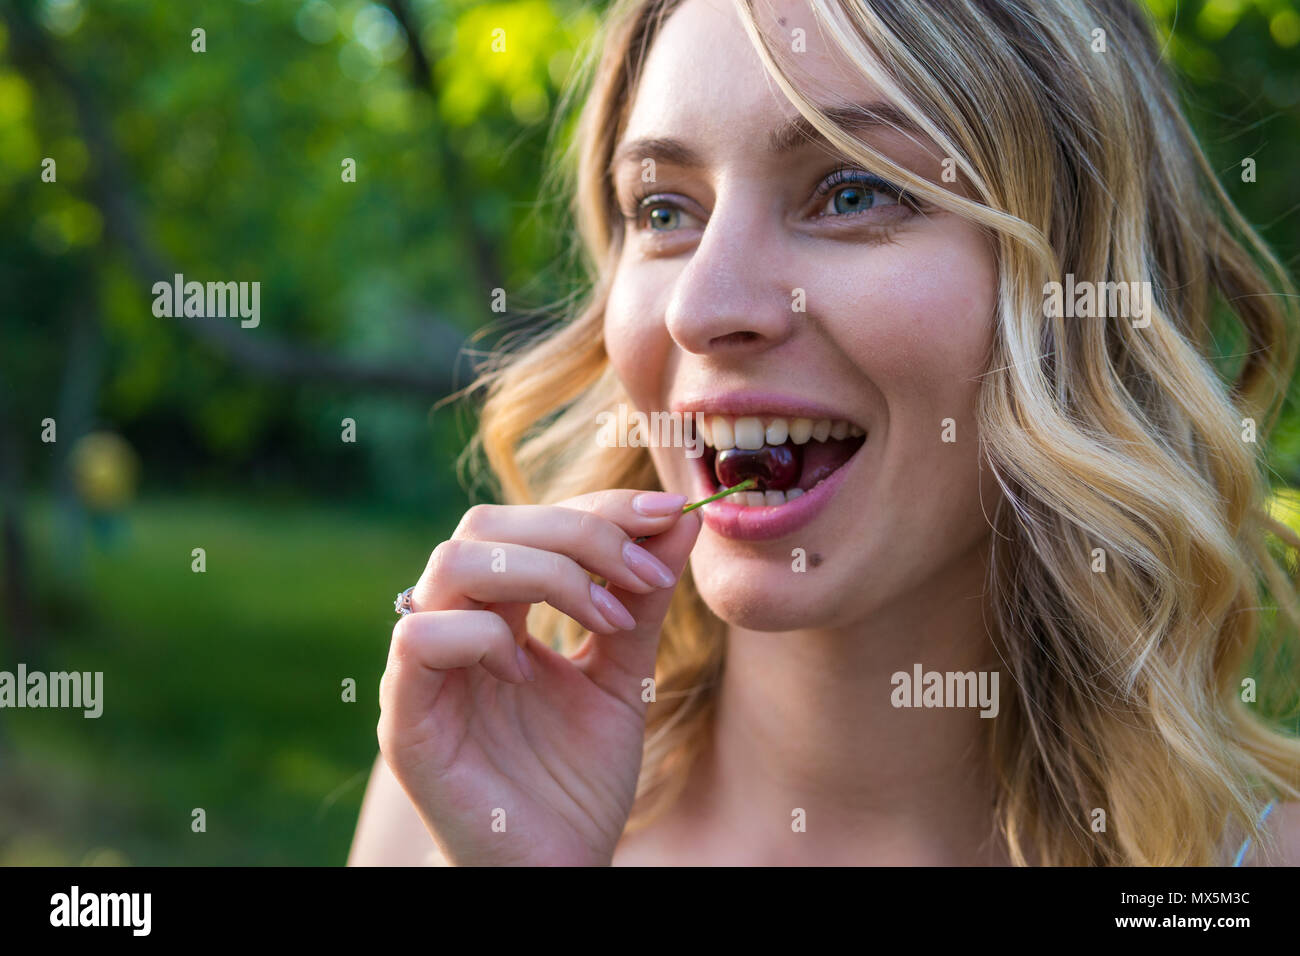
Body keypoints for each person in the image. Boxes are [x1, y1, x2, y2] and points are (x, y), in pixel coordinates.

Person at [349, 0, 1300, 865]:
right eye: (664, 209)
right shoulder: (462, 798)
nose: (701, 307)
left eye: (853, 191)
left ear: (1080, 295)